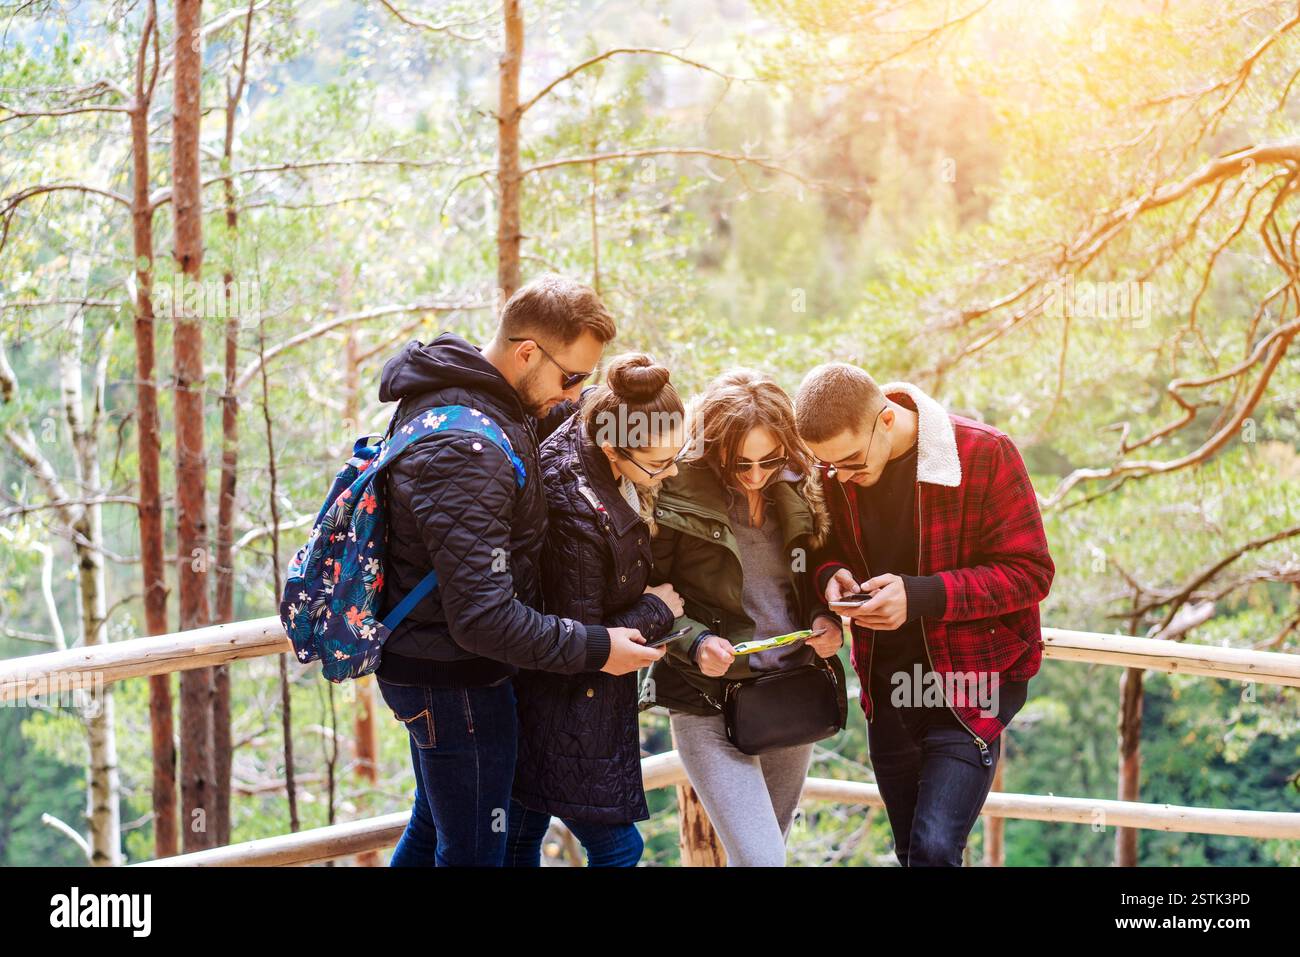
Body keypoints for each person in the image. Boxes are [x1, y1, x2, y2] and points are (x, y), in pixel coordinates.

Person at [374, 274, 663, 867]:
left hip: (433, 666)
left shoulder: (472, 397)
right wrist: (594, 647)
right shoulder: (465, 449)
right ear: (527, 352)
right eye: (572, 378)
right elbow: (482, 618)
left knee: (433, 831)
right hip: (456, 681)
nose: (573, 394)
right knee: (477, 853)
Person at [794, 362, 1055, 866]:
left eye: (850, 460)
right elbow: (819, 547)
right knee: (912, 852)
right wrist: (830, 575)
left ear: (886, 419)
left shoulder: (985, 453)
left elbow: (1030, 574)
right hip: (886, 688)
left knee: (935, 851)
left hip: (971, 685)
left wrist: (921, 596)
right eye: (830, 467)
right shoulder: (834, 470)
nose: (842, 476)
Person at [639, 369, 843, 866]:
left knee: (765, 853)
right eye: (739, 463)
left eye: (768, 460)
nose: (755, 475)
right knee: (763, 861)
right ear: (712, 448)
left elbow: (815, 571)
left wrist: (825, 617)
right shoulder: (672, 486)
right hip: (706, 699)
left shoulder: (801, 483)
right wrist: (694, 641)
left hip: (790, 694)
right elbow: (644, 596)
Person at [507, 353, 688, 866]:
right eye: (658, 464)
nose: (670, 473)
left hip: (561, 706)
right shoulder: (572, 506)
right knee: (618, 849)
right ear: (612, 447)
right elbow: (582, 639)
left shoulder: (599, 414)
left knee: (518, 836)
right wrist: (657, 609)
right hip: (561, 703)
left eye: (678, 455)